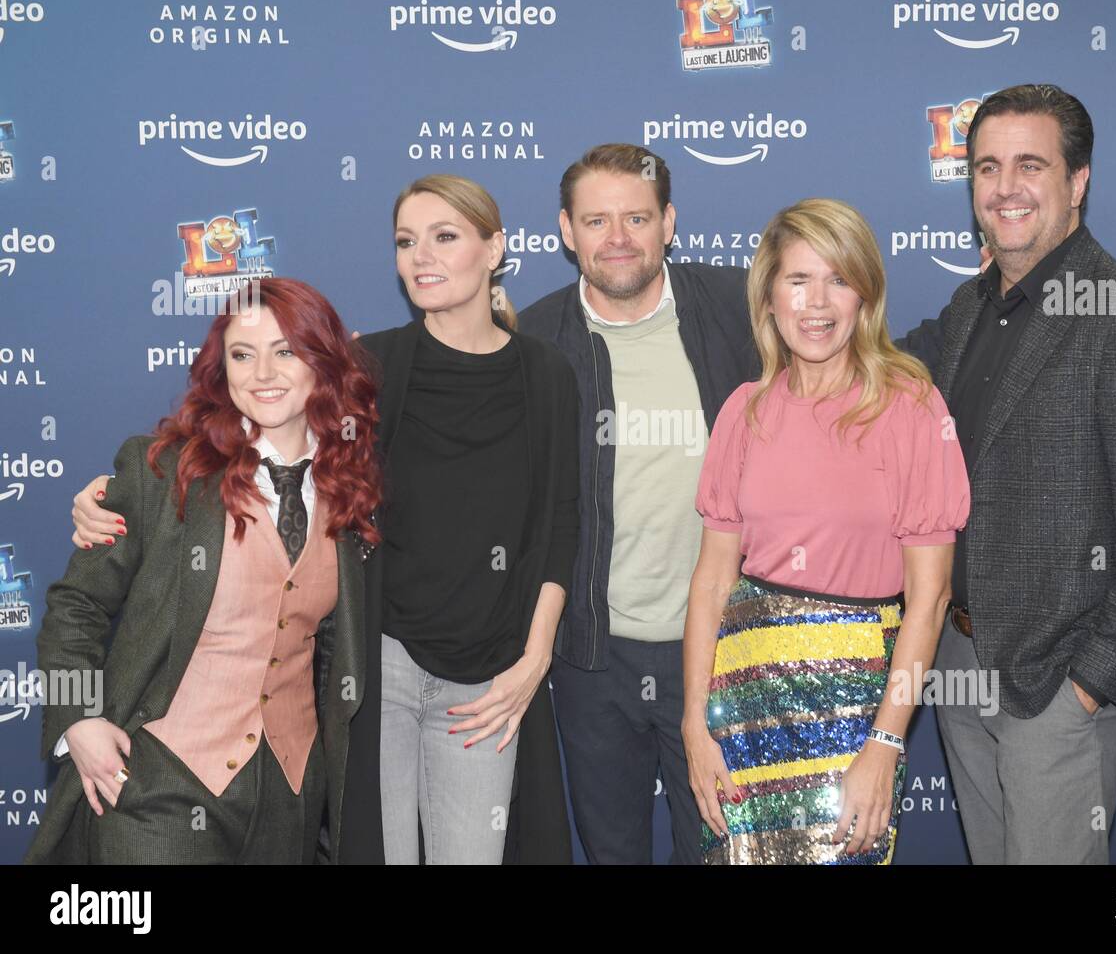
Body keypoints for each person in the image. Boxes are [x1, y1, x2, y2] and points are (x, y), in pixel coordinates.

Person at [70, 175, 580, 865]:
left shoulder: (544, 372)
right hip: (380, 671)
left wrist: (535, 656)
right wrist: (113, 493)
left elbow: (559, 521)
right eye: (406, 241)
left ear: (497, 248)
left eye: (445, 236)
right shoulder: (375, 368)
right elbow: (246, 444)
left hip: (487, 675)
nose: (422, 256)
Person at [901, 84, 1116, 864]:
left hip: (1056, 685)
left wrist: (1088, 689)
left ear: (1077, 182)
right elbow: (881, 376)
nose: (1005, 187)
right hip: (962, 663)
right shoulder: (970, 310)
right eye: (987, 167)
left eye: (1030, 165)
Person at [26, 277, 382, 864]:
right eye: (243, 354)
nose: (262, 372)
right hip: (158, 786)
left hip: (289, 798)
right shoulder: (167, 471)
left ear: (323, 360)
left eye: (285, 351)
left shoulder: (351, 488)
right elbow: (75, 608)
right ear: (222, 371)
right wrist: (79, 719)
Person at [682, 198, 969, 864]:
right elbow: (712, 582)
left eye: (838, 279)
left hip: (858, 704)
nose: (818, 303)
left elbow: (927, 602)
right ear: (770, 296)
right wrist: (696, 723)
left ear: (864, 295)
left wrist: (886, 742)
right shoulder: (742, 411)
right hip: (741, 703)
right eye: (798, 279)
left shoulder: (912, 407)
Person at [518, 143, 759, 863]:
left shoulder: (738, 309)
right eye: (596, 221)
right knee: (613, 851)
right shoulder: (534, 340)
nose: (617, 238)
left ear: (669, 223)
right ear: (567, 231)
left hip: (720, 649)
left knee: (717, 853)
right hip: (594, 656)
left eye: (636, 218)